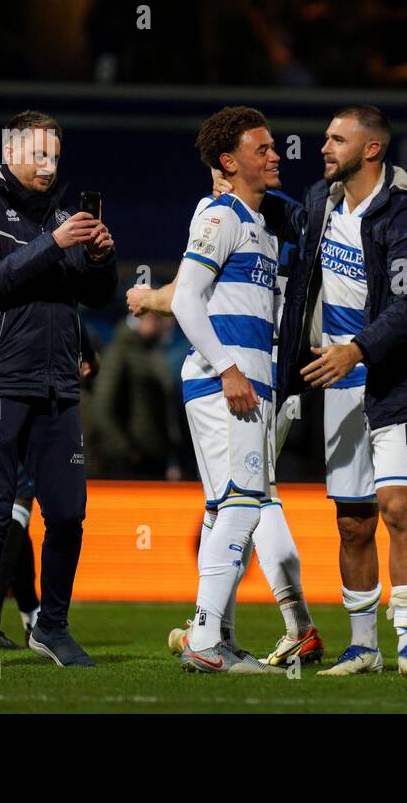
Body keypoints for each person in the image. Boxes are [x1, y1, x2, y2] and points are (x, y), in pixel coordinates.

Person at [270, 105, 407, 677]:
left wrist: (359, 349)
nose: (324, 146)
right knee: (352, 520)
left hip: (396, 380)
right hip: (340, 380)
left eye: (337, 139)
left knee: (398, 508)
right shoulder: (321, 205)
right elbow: (289, 232)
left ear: (371, 150)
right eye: (325, 137)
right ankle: (364, 647)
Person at [129, 171, 323, 669]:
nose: (215, 187)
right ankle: (226, 630)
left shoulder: (245, 216)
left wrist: (150, 297)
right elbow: (201, 285)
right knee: (247, 499)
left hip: (252, 373)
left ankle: (218, 630)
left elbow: (186, 291)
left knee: (243, 501)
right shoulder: (290, 222)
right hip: (264, 373)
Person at [0, 110, 117, 668]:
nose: (49, 166)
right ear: (10, 151)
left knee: (68, 512)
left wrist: (99, 257)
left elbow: (94, 296)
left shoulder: (65, 213)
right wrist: (53, 240)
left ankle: (52, 627)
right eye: (39, 154)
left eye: (55, 156)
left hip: (55, 384)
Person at [164, 105, 296, 676]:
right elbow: (184, 298)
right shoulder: (221, 218)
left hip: (247, 388)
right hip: (227, 388)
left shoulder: (258, 226)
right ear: (229, 161)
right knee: (245, 505)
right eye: (262, 149)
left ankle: (220, 638)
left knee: (226, 512)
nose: (274, 156)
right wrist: (227, 369)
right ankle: (202, 639)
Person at [89, 312, 182, 479]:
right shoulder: (119, 351)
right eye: (164, 321)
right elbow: (102, 405)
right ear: (150, 318)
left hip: (153, 456)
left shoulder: (149, 351)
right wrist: (126, 449)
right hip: (132, 461)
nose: (168, 327)